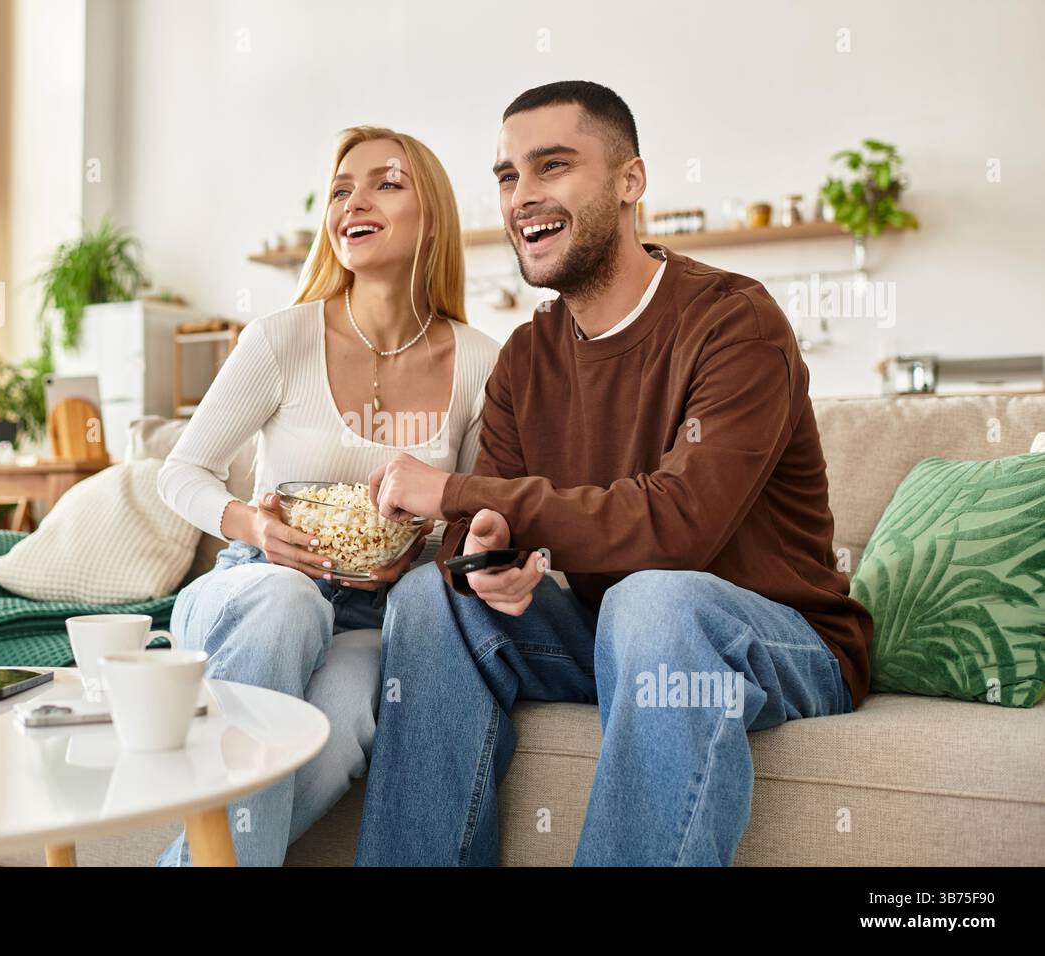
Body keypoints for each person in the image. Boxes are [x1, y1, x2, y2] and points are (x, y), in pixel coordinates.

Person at [356, 81, 874, 866]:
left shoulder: (736, 321)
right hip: (618, 638)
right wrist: (483, 549)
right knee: (432, 595)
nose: (523, 197)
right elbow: (476, 524)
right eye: (506, 177)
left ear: (631, 181)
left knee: (654, 600)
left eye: (553, 165)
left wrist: (461, 494)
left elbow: (678, 526)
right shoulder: (525, 358)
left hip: (782, 640)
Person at [154, 125, 499, 866]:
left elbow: (472, 523)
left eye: (385, 183)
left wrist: (416, 560)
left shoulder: (479, 362)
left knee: (342, 716)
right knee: (288, 601)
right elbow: (180, 472)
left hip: (375, 618)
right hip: (252, 588)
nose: (353, 201)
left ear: (431, 216)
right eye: (341, 188)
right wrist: (254, 523)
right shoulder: (281, 339)